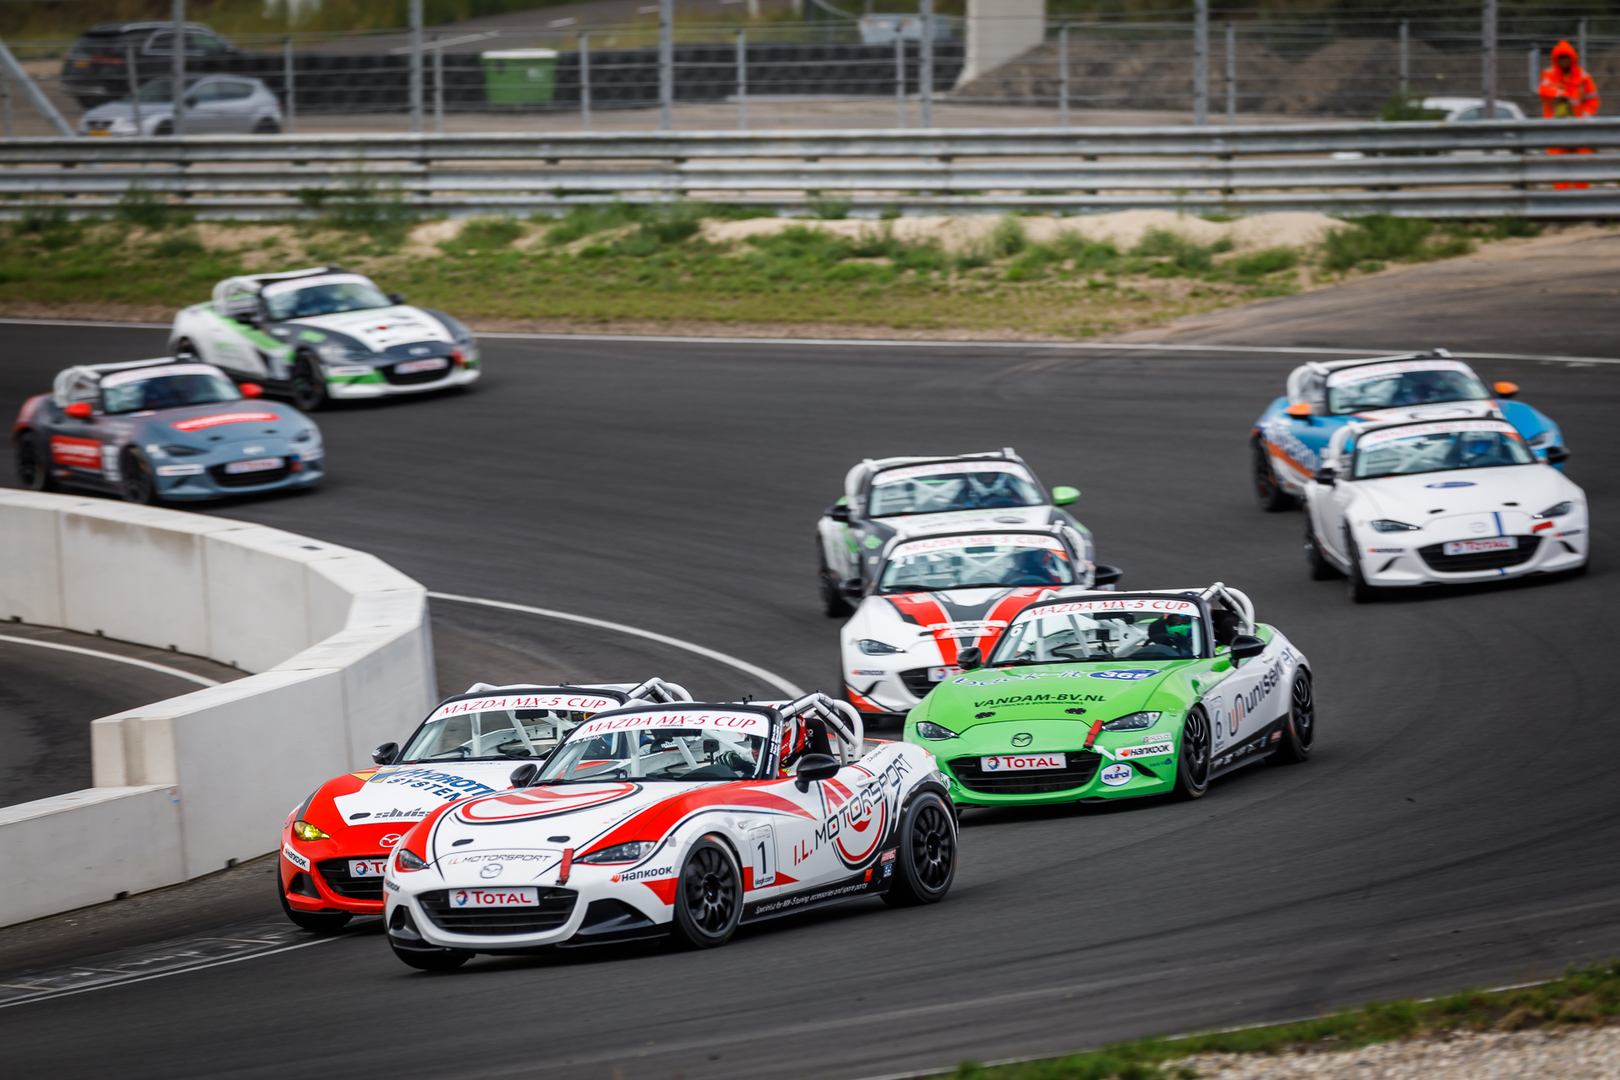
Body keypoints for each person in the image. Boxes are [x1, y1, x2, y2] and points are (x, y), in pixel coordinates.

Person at [1539, 40, 1600, 190]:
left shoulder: (1583, 76)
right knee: (1558, 167)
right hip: (1555, 130)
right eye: (1561, 58)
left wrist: (1584, 118)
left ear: (1572, 59)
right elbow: (1543, 90)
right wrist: (1559, 94)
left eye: (1566, 58)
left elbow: (1593, 99)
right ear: (1556, 59)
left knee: (1583, 164)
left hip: (1579, 129)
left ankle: (1581, 197)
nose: (1564, 61)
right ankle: (1561, 199)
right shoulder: (1549, 74)